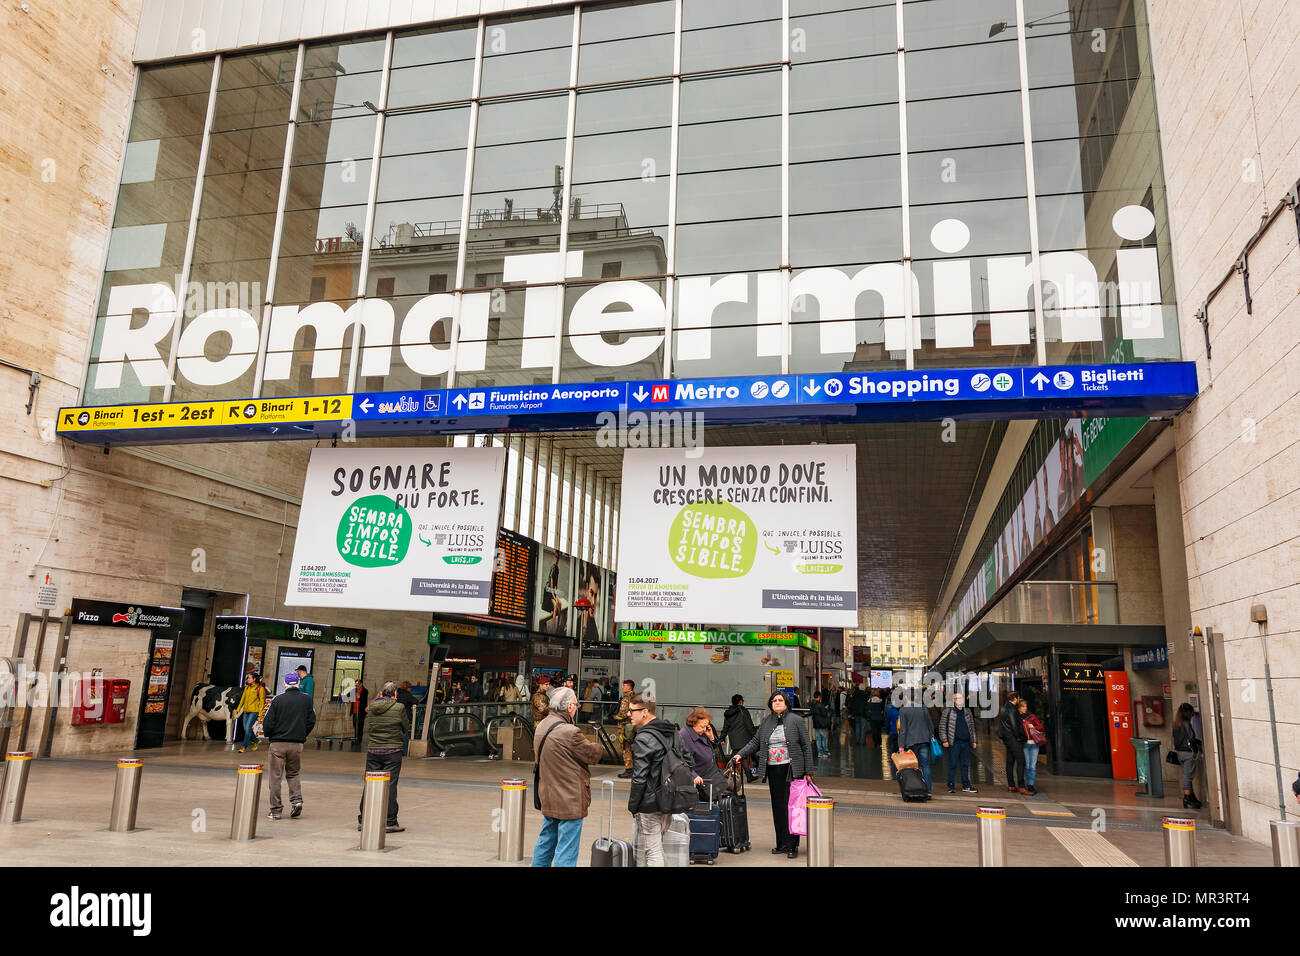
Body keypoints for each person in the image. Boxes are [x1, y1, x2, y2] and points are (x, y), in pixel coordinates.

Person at [731, 691, 813, 859]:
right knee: (777, 807)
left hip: (791, 769)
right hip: (773, 770)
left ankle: (792, 845)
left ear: (787, 703)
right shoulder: (767, 721)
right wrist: (740, 754)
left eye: (780, 700)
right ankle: (781, 843)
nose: (776, 702)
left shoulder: (796, 720)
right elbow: (755, 742)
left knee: (790, 807)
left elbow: (806, 746)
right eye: (774, 700)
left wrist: (808, 771)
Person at [532, 687, 604, 866]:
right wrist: (598, 746)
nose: (577, 707)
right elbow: (592, 755)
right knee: (567, 850)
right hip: (569, 799)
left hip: (548, 795)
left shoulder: (541, 725)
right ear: (570, 707)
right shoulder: (570, 732)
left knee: (546, 842)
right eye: (576, 704)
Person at [627, 693, 701, 867]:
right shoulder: (672, 732)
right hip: (670, 798)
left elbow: (639, 777)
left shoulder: (643, 738)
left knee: (652, 850)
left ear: (644, 712)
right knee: (656, 846)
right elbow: (689, 761)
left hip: (650, 802)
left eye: (632, 711)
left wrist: (633, 805)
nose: (628, 714)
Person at [356, 681, 409, 833]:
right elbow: (406, 727)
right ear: (395, 694)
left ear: (381, 693)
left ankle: (364, 819)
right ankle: (390, 821)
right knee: (390, 785)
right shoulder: (399, 707)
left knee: (370, 783)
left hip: (373, 750)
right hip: (392, 751)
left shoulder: (372, 707)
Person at [262, 671, 316, 820]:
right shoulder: (306, 700)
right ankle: (297, 801)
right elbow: (312, 719)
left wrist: (270, 735)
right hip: (297, 744)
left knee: (275, 777)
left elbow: (268, 722)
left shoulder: (277, 700)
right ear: (298, 683)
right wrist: (302, 734)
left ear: (285, 684)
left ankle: (276, 810)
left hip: (278, 744)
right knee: (293, 774)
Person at [680, 707, 727, 799]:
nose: (704, 729)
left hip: (710, 775)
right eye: (702, 726)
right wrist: (693, 775)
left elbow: (709, 750)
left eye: (706, 726)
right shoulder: (684, 736)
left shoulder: (701, 733)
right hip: (698, 781)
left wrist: (711, 738)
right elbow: (680, 760)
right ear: (693, 723)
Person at [938, 691, 978, 795]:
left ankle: (966, 785)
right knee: (953, 764)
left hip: (965, 743)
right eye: (957, 698)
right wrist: (944, 740)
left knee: (965, 765)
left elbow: (972, 727)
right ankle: (951, 785)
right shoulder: (948, 711)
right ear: (954, 701)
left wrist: (974, 740)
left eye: (961, 698)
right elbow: (942, 726)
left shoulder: (967, 711)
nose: (959, 700)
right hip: (954, 743)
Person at [897, 693, 935, 796]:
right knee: (926, 766)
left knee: (912, 766)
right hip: (924, 741)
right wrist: (930, 736)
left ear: (906, 698)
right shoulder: (924, 709)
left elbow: (903, 730)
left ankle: (915, 788)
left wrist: (901, 745)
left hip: (910, 742)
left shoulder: (904, 710)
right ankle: (928, 790)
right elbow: (930, 726)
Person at [996, 692, 1029, 795]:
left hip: (1007, 738)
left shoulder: (1003, 708)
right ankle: (1021, 786)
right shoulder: (1012, 709)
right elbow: (1015, 726)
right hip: (1013, 739)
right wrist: (1021, 737)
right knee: (1021, 761)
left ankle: (1011, 785)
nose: (1018, 700)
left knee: (1010, 761)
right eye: (1018, 698)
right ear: (1015, 698)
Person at [1172, 702, 1203, 809]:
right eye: (1191, 713)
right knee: (1187, 776)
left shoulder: (1176, 724)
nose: (1192, 715)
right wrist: (1199, 742)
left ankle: (1191, 797)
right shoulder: (1186, 723)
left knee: (1186, 775)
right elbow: (1191, 738)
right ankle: (1187, 797)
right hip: (1188, 753)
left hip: (1180, 753)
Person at [721, 694, 758, 780]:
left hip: (733, 740)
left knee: (741, 756)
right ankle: (726, 775)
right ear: (741, 702)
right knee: (737, 757)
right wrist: (755, 735)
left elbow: (725, 727)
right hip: (743, 739)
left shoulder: (728, 713)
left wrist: (722, 738)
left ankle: (749, 776)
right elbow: (749, 725)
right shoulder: (743, 711)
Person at [233, 672, 267, 753]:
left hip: (254, 711)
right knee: (246, 729)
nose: (248, 679)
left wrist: (260, 714)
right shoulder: (247, 688)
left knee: (248, 728)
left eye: (249, 678)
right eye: (248, 678)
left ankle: (244, 746)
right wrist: (238, 709)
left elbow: (262, 702)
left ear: (254, 679)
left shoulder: (260, 688)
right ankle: (255, 741)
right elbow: (242, 699)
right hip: (246, 711)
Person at [1019, 699, 1046, 796]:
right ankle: (1026, 783)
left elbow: (1041, 727)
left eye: (1026, 706)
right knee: (1027, 765)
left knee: (1032, 766)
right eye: (1023, 706)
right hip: (1025, 744)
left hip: (1034, 743)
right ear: (1019, 708)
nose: (1025, 708)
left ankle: (1031, 784)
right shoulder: (1018, 718)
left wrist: (1033, 727)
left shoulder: (1032, 717)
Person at [614, 678, 635, 778]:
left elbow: (622, 714)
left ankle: (629, 770)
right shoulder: (635, 697)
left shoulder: (626, 698)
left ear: (629, 687)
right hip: (631, 726)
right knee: (630, 748)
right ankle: (632, 769)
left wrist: (614, 717)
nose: (622, 687)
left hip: (624, 727)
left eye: (624, 685)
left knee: (625, 748)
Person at [810, 692, 832, 757]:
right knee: (824, 738)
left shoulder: (812, 704)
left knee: (818, 738)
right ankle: (825, 752)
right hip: (822, 724)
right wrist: (826, 709)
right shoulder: (820, 705)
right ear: (819, 697)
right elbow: (824, 714)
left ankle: (820, 753)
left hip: (816, 724)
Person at [351, 678, 370, 747]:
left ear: (361, 684)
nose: (356, 687)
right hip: (355, 711)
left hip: (361, 711)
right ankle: (356, 738)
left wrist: (359, 697)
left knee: (359, 726)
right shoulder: (354, 690)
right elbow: (348, 695)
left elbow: (364, 700)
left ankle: (359, 740)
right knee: (355, 726)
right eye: (355, 685)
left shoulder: (365, 691)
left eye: (357, 685)